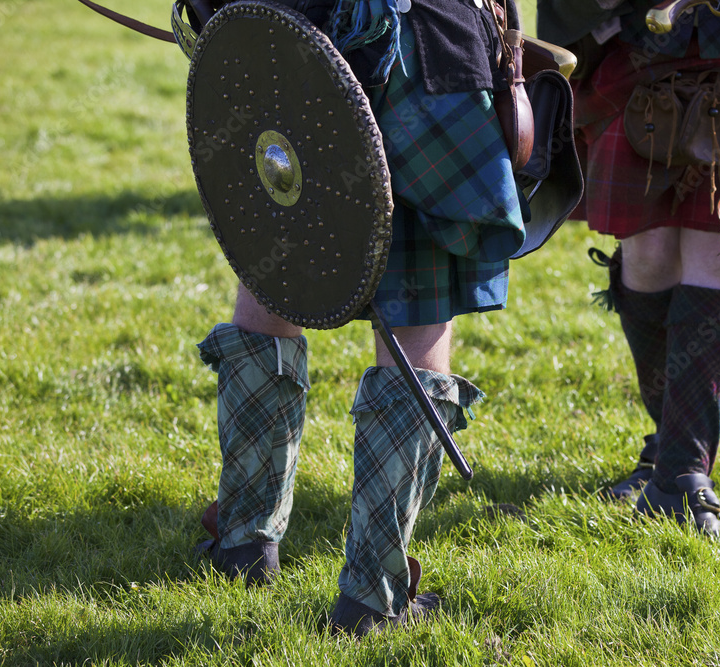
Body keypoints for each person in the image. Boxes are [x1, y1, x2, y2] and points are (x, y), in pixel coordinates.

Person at [192, 0, 528, 636]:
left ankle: (243, 543)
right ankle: (371, 599)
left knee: (274, 269)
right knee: (417, 318)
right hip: (423, 54)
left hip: (291, 33)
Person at [537, 0, 720, 554]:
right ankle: (671, 451)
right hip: (631, 44)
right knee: (646, 254)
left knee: (719, 252)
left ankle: (679, 477)